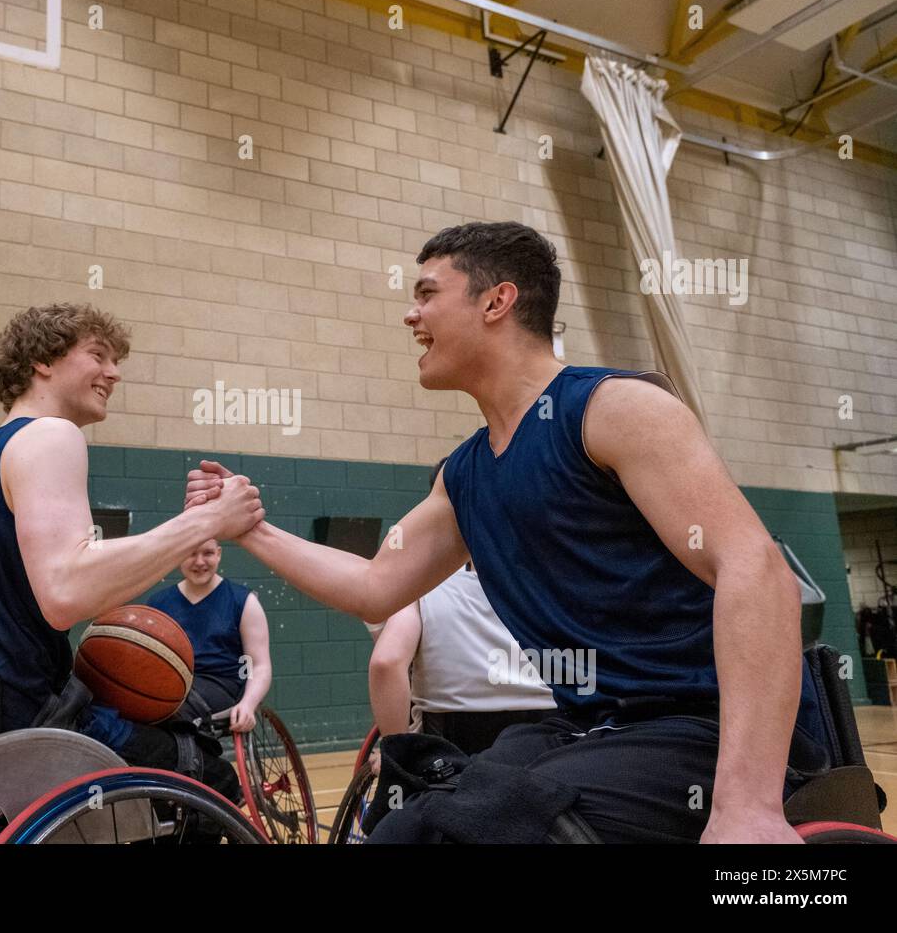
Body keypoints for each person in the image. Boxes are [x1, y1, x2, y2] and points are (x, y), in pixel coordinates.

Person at [186, 221, 828, 843]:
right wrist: (249, 527)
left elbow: (758, 570)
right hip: (588, 729)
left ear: (497, 301)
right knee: (404, 822)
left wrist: (748, 803)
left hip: (701, 728)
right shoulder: (463, 475)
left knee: (490, 826)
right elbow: (374, 587)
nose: (411, 316)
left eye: (427, 293)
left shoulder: (615, 409)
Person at [0, 302, 262, 802]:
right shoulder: (50, 435)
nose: (115, 373)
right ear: (43, 360)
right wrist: (208, 522)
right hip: (23, 731)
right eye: (99, 355)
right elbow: (65, 592)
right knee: (210, 776)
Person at [367, 461, 555, 760]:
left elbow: (386, 662)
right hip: (549, 742)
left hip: (452, 747)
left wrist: (397, 753)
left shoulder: (418, 584)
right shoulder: (561, 577)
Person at [146, 539, 273, 734]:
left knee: (172, 711)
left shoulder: (243, 601)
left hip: (224, 685)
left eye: (207, 553)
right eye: (191, 553)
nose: (199, 562)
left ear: (219, 554)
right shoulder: (158, 604)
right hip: (174, 684)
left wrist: (249, 703)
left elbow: (259, 665)